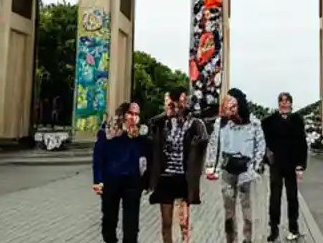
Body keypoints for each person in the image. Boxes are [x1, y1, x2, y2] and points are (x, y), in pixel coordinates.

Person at [147, 87, 209, 243]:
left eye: (183, 100)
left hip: (183, 178)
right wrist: (165, 115)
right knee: (166, 223)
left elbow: (204, 138)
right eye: (177, 100)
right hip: (166, 177)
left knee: (183, 222)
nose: (181, 103)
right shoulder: (162, 123)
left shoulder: (193, 123)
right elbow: (150, 126)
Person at [207, 89, 267, 243]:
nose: (231, 110)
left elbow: (260, 147)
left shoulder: (253, 123)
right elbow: (214, 144)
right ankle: (230, 239)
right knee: (229, 211)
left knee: (246, 210)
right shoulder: (221, 123)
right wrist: (210, 166)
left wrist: (254, 168)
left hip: (246, 171)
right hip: (227, 169)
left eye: (234, 106)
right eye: (228, 106)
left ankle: (247, 239)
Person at [93, 101, 150, 243]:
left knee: (131, 224)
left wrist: (145, 182)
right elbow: (98, 156)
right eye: (130, 113)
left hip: (132, 183)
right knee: (109, 220)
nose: (133, 117)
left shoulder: (140, 136)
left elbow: (148, 158)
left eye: (137, 114)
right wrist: (97, 180)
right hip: (110, 182)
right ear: (123, 114)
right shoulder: (109, 132)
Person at [262, 91, 309, 242]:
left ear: (291, 104)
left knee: (292, 197)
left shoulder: (297, 120)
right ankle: (273, 229)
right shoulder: (269, 122)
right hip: (276, 164)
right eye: (282, 101)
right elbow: (263, 144)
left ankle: (293, 228)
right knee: (274, 198)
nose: (284, 104)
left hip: (292, 164)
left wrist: (301, 165)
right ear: (278, 104)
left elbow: (302, 144)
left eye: (287, 101)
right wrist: (264, 160)